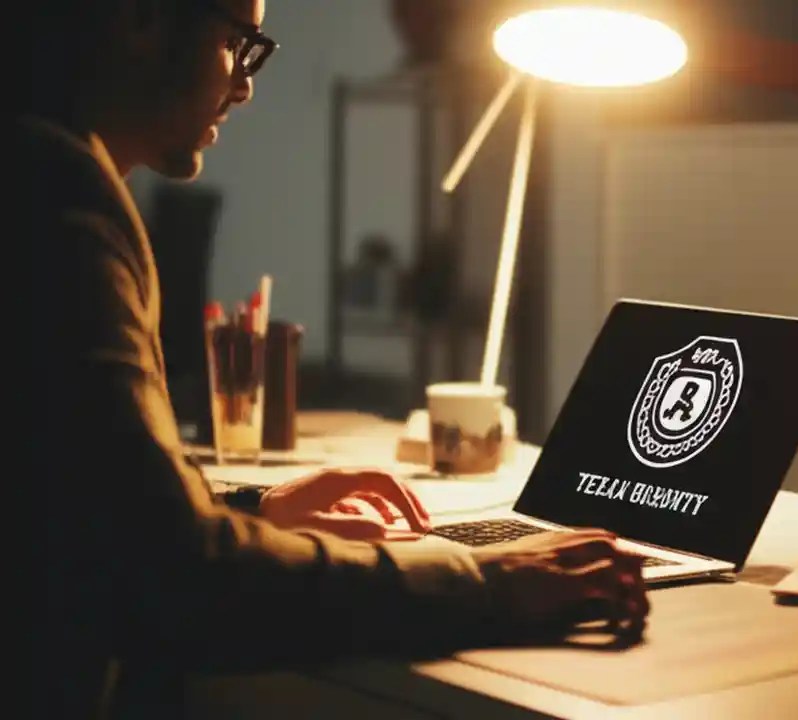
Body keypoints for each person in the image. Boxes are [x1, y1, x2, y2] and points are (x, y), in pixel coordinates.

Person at [16, 2, 647, 717]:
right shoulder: (57, 200)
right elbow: (173, 575)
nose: (246, 85)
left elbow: (79, 506)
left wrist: (253, 510)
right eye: (234, 42)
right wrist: (481, 584)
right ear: (138, 18)